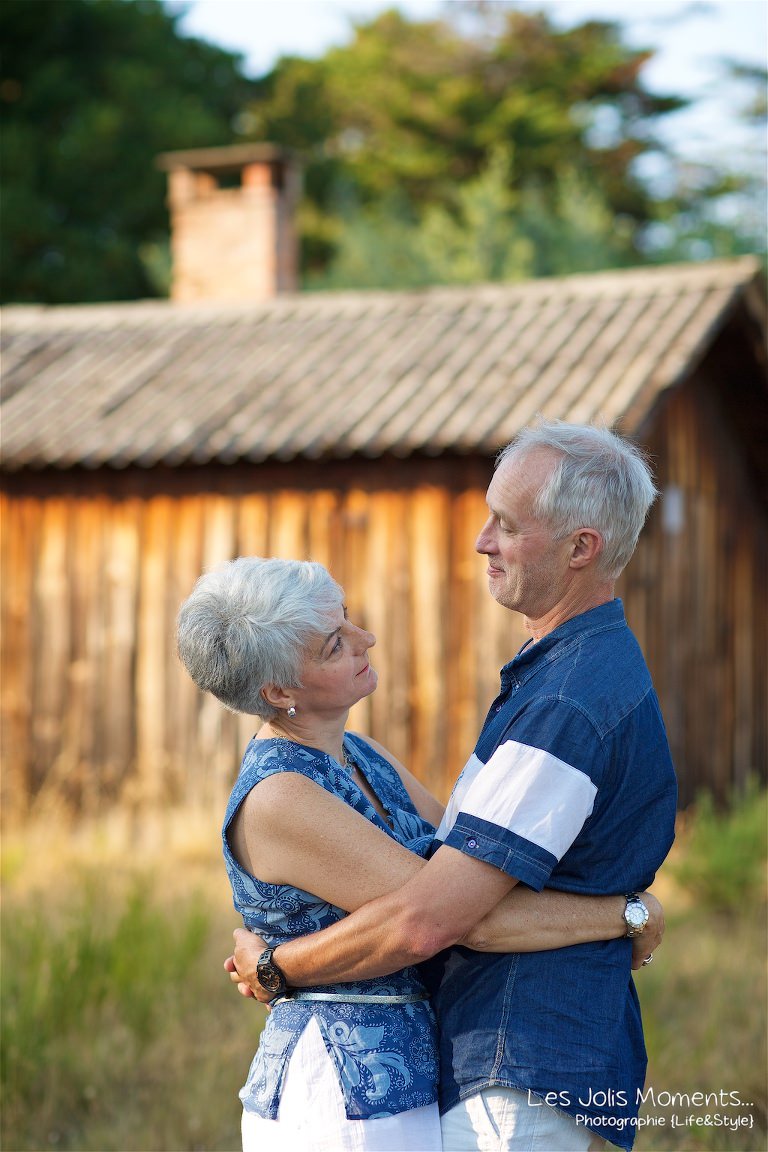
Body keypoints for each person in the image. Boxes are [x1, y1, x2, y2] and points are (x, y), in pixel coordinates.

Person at [228, 420, 678, 1152]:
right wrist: (623, 913)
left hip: (515, 1063)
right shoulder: (561, 678)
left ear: (581, 549)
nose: (481, 541)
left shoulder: (564, 703)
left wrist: (278, 966)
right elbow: (446, 880)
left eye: (506, 524)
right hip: (490, 1062)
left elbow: (436, 917)